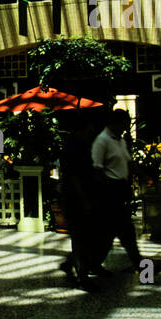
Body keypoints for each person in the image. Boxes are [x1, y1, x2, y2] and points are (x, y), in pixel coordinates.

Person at [91, 109, 142, 270]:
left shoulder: (120, 141)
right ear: (115, 123)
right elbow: (97, 169)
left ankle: (91, 264)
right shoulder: (102, 141)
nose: (126, 127)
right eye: (124, 123)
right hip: (110, 193)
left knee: (110, 233)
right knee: (123, 231)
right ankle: (140, 264)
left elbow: (128, 163)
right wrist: (106, 191)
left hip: (120, 191)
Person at [58, 118, 100, 289]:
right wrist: (84, 199)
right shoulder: (74, 148)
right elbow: (74, 176)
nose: (91, 134)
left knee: (82, 236)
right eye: (89, 130)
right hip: (75, 198)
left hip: (77, 197)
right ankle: (82, 275)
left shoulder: (78, 146)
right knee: (80, 237)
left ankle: (72, 266)